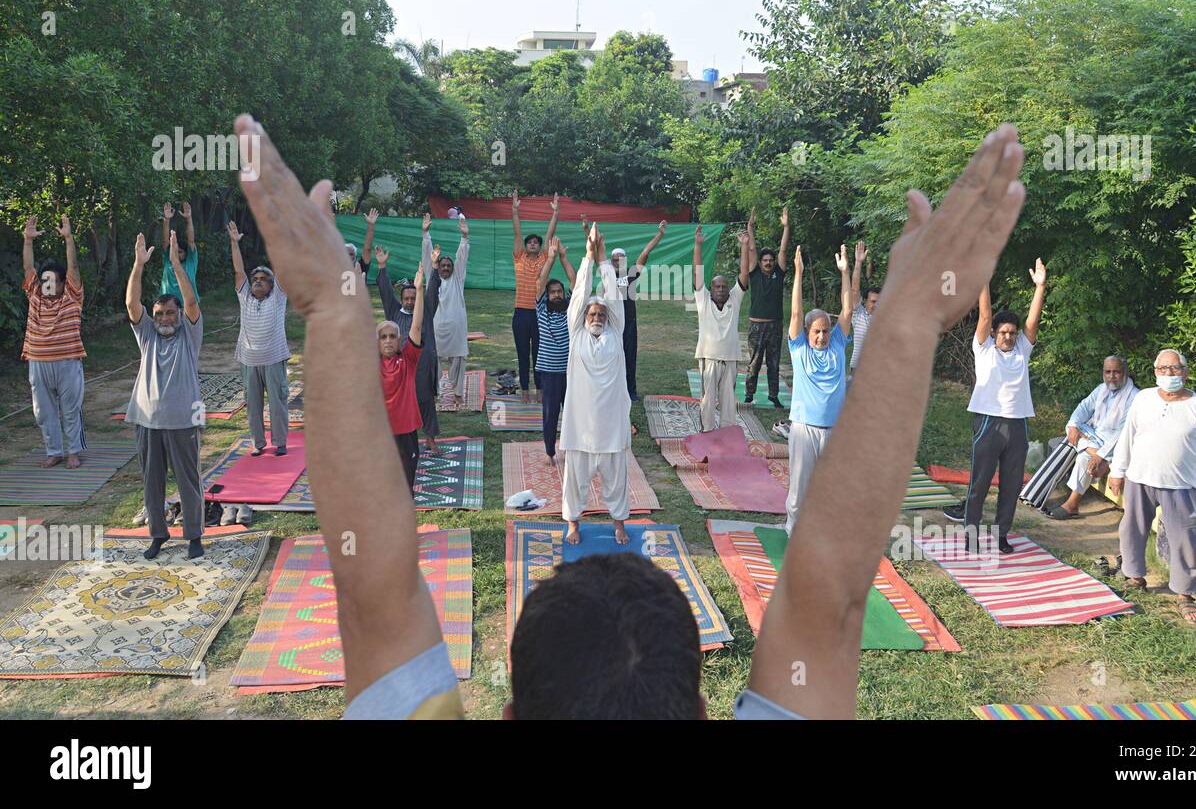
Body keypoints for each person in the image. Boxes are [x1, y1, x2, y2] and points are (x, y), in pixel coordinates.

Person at [232, 113, 1025, 720]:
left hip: (610, 417)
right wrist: (912, 321)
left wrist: (330, 312)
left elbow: (373, 591)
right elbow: (831, 596)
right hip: (585, 417)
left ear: (507, 715)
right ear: (707, 710)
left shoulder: (607, 320)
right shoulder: (579, 318)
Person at [1108, 347, 1196, 622]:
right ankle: (1135, 577)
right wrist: (1117, 470)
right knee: (1131, 530)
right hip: (1140, 478)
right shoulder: (1143, 399)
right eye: (1162, 369)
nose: (1168, 374)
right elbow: (1127, 436)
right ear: (1155, 373)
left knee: (1186, 540)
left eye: (1174, 369)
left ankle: (1185, 594)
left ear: (1185, 372)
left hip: (1183, 485)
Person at [942, 263, 1047, 554]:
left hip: (1017, 425)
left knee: (1011, 486)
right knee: (980, 482)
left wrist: (1040, 287)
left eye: (1012, 333)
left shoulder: (1022, 351)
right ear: (994, 333)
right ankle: (971, 535)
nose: (1008, 337)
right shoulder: (984, 348)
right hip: (988, 423)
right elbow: (985, 315)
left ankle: (1001, 535)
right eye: (1003, 332)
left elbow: (1033, 322)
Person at [125, 230, 205, 560]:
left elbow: (190, 301)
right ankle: (157, 534)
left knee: (188, 480)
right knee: (151, 481)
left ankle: (194, 536)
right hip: (146, 419)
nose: (164, 318)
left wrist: (175, 263)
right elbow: (132, 303)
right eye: (159, 314)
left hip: (183, 419)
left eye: (169, 313)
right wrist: (138, 265)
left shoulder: (189, 333)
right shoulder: (148, 335)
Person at [558, 224, 633, 546]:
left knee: (617, 480)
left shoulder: (616, 332)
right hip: (580, 427)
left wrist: (603, 258)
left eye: (601, 312)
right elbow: (578, 297)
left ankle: (619, 524)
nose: (597, 315)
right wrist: (588, 258)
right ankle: (573, 523)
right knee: (575, 482)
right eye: (592, 312)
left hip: (613, 425)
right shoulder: (576, 336)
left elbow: (614, 298)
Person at [783, 243, 852, 533]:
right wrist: (797, 273)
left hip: (834, 429)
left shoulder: (838, 344)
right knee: (800, 485)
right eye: (817, 331)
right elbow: (797, 314)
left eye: (825, 330)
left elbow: (847, 310)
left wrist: (846, 272)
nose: (822, 335)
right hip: (804, 428)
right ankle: (794, 530)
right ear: (807, 332)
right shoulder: (799, 348)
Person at [1025, 356, 1137, 517]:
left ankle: (1072, 504)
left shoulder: (1134, 396)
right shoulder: (1101, 389)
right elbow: (1083, 408)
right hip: (1096, 439)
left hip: (1120, 444)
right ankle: (1035, 492)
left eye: (1116, 372)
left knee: (1085, 458)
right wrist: (1073, 426)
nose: (1111, 376)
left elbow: (1123, 434)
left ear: (1125, 373)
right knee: (1072, 435)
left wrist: (1099, 456)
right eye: (1107, 372)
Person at [20, 214, 87, 469]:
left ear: (62, 283)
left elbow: (74, 269)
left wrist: (69, 239)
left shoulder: (71, 297)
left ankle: (73, 452)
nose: (47, 284)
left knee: (71, 409)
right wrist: (28, 241)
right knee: (44, 412)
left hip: (67, 362)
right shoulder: (35, 295)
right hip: (38, 362)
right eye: (44, 280)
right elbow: (28, 269)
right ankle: (54, 451)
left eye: (52, 280)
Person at [375, 213, 441, 448]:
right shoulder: (394, 311)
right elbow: (384, 291)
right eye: (407, 298)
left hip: (421, 363)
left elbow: (431, 291)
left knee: (425, 400)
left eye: (414, 298)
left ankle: (430, 438)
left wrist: (433, 267)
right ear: (401, 298)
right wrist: (382, 266)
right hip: (397, 368)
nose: (411, 302)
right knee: (398, 402)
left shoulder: (426, 311)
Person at [227, 221, 291, 463]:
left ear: (272, 285)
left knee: (277, 402)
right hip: (249, 360)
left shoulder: (278, 297)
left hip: (274, 358)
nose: (257, 280)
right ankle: (258, 443)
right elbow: (238, 271)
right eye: (256, 277)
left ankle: (280, 443)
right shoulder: (244, 295)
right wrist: (235, 243)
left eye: (264, 278)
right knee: (253, 404)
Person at [693, 226, 750, 431]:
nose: (720, 289)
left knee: (728, 402)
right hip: (708, 358)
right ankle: (707, 432)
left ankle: (726, 433)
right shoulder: (703, 300)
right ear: (711, 288)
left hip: (731, 358)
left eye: (723, 286)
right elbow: (697, 272)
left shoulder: (734, 299)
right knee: (707, 400)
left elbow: (744, 273)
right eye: (716, 286)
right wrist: (698, 245)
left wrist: (744, 246)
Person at [378, 264, 428, 492]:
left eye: (392, 337)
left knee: (407, 476)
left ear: (399, 340)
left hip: (406, 428)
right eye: (383, 337)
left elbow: (416, 326)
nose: (388, 341)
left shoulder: (408, 359)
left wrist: (419, 291)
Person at [511, 192, 560, 403]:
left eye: (535, 243)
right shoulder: (519, 258)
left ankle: (539, 390)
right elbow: (516, 233)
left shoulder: (543, 260)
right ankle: (524, 390)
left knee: (539, 354)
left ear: (540, 247)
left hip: (540, 313)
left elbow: (550, 235)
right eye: (529, 242)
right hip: (521, 313)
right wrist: (515, 210)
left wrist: (555, 213)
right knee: (523, 353)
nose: (532, 244)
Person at [610, 220, 665, 402]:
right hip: (611, 323)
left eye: (620, 258)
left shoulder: (631, 274)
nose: (617, 261)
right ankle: (612, 390)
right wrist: (587, 230)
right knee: (610, 358)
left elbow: (645, 253)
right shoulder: (606, 274)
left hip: (629, 322)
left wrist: (659, 235)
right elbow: (594, 253)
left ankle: (630, 391)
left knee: (629, 357)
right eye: (614, 259)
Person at [743, 205, 790, 409]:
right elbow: (752, 249)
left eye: (771, 261)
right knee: (754, 363)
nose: (769, 263)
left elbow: (783, 249)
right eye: (766, 261)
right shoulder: (754, 273)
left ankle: (773, 396)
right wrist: (750, 227)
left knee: (773, 363)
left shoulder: (779, 274)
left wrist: (786, 227)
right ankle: (749, 394)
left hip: (775, 326)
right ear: (760, 262)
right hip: (757, 326)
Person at [535, 237, 576, 462]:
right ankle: (550, 452)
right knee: (550, 414)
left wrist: (563, 258)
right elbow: (540, 282)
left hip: (570, 371)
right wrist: (550, 259)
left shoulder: (570, 310)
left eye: (559, 291)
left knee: (571, 413)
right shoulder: (541, 310)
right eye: (553, 292)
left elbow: (575, 280)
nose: (557, 294)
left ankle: (571, 448)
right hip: (549, 373)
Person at [433, 216, 470, 407]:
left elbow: (462, 258)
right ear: (438, 268)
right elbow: (427, 257)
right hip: (437, 328)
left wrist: (464, 238)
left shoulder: (457, 280)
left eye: (449, 265)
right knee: (434, 360)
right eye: (443, 265)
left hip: (456, 329)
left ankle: (457, 393)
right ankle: (435, 391)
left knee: (459, 359)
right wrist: (425, 236)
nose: (446, 267)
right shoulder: (434, 282)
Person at [848, 242, 878, 379]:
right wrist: (859, 263)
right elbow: (854, 289)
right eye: (873, 302)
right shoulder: (859, 313)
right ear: (864, 301)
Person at [160, 201, 200, 303]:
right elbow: (165, 241)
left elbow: (191, 240)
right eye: (175, 251)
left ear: (186, 254)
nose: (176, 254)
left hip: (188, 307)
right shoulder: (168, 262)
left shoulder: (191, 262)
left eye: (180, 252)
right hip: (167, 307)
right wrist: (166, 219)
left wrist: (189, 219)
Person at [349, 206, 379, 275]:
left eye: (351, 254)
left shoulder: (360, 267)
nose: (349, 256)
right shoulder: (337, 269)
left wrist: (371, 225)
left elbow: (367, 249)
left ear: (355, 256)